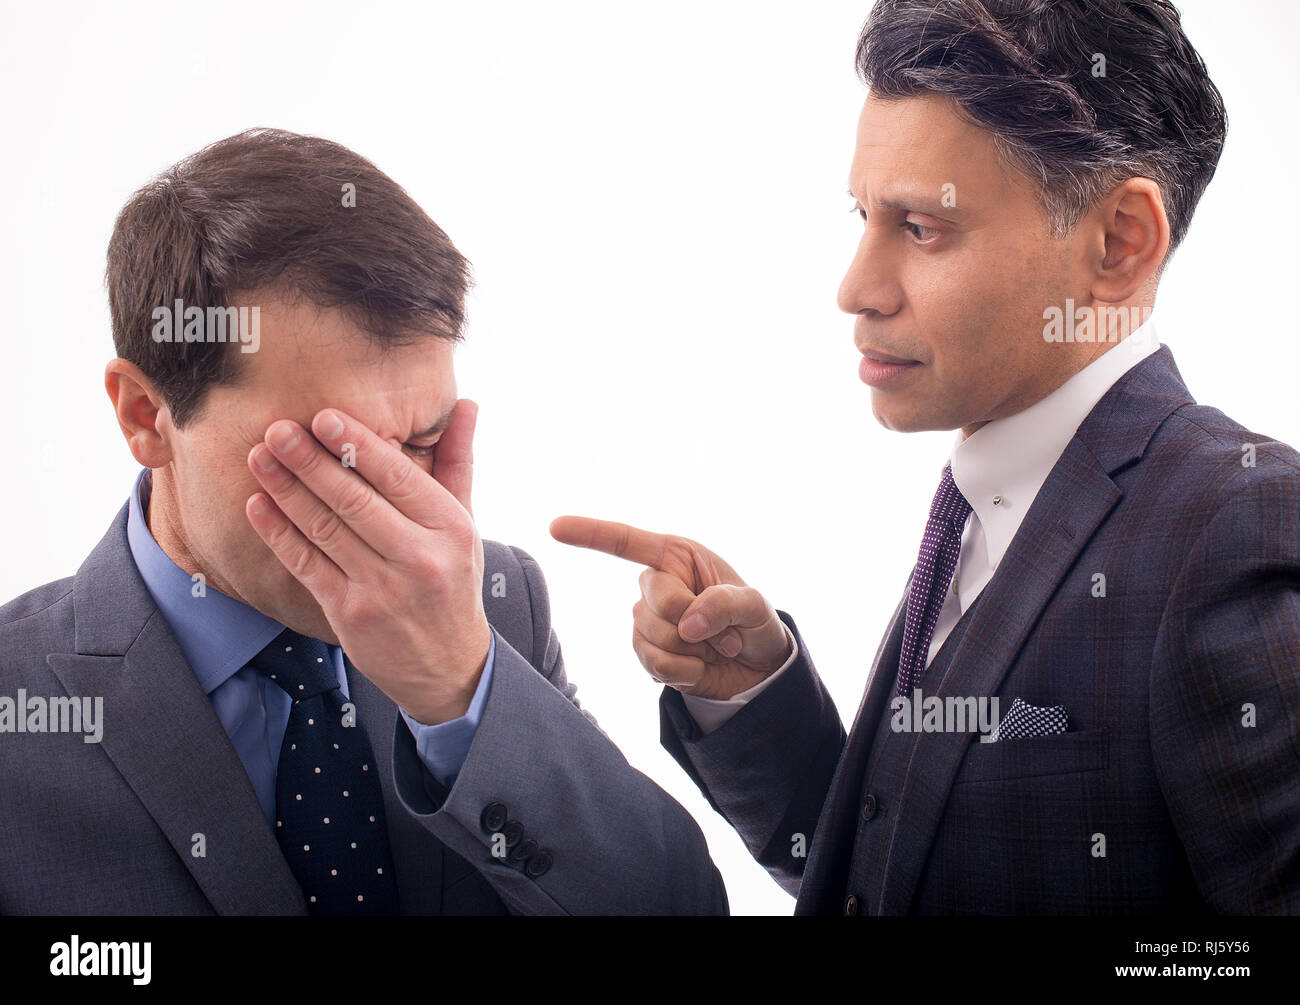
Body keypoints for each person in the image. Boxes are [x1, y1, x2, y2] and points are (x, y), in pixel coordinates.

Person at [551, 0, 1300, 914]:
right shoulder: (994, 498)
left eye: (920, 227)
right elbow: (892, 863)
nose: (854, 288)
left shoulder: (1235, 527)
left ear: (1120, 242)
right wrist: (754, 690)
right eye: (864, 214)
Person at [0, 128, 726, 916]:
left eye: (422, 442)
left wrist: (460, 687)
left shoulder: (495, 603)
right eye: (333, 460)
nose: (397, 518)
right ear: (146, 415)